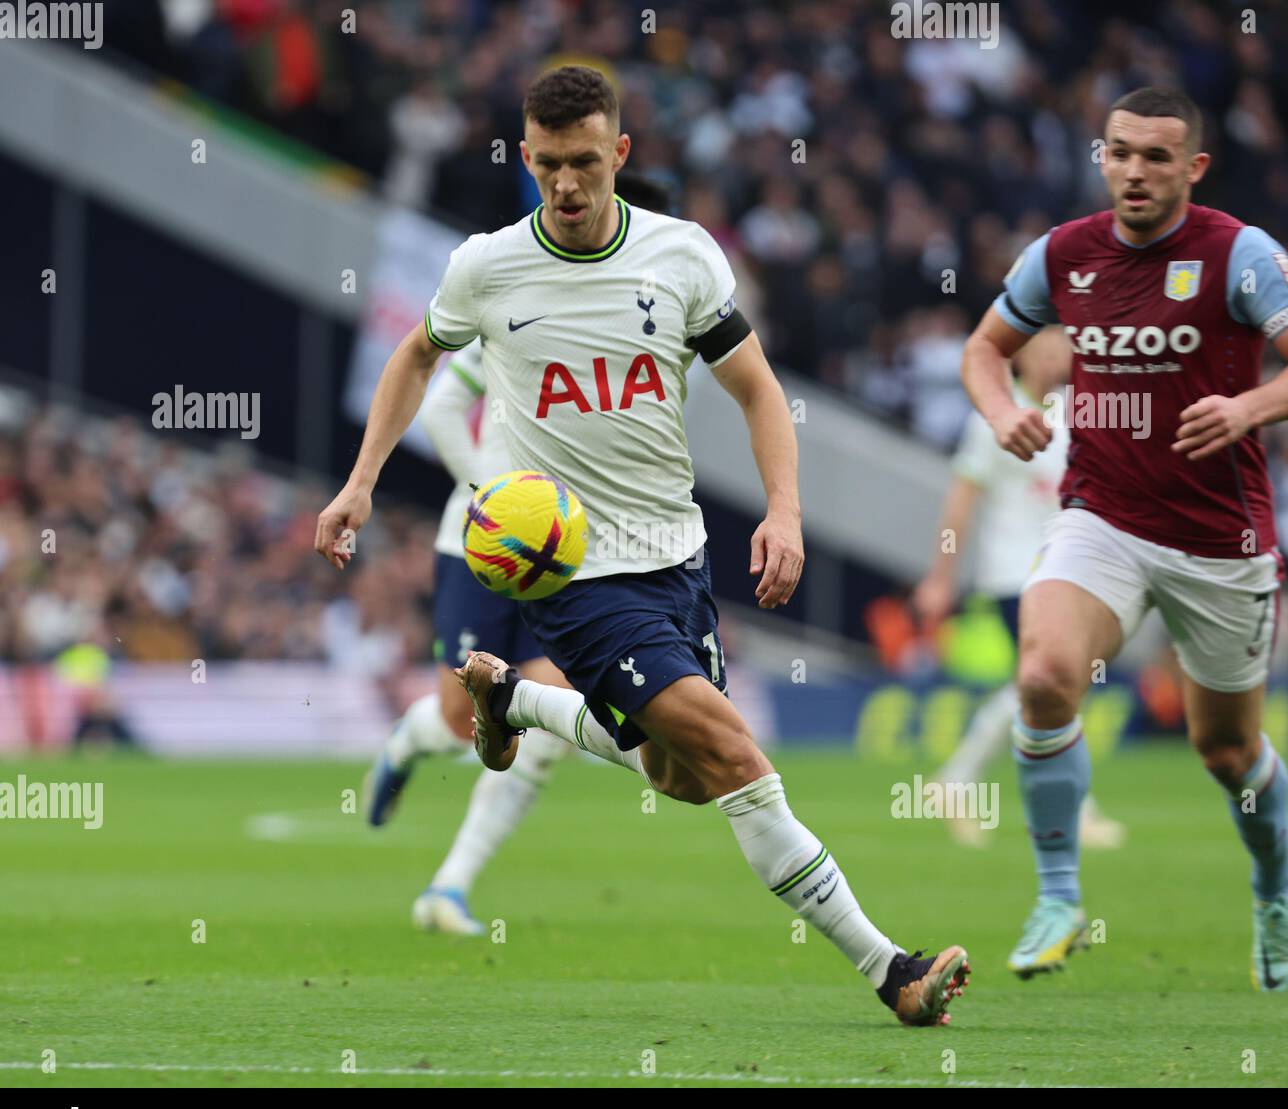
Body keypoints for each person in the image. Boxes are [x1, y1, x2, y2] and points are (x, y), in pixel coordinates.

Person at [318, 65, 971, 1025]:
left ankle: (519, 701)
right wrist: (361, 481)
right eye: (546, 165)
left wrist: (783, 511)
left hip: (679, 559)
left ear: (619, 152)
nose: (567, 186)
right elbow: (417, 356)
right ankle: (891, 969)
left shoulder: (684, 257)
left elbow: (757, 388)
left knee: (681, 776)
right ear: (526, 157)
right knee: (736, 756)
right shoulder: (487, 267)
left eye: (584, 162)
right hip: (574, 574)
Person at [961, 86, 1288, 986]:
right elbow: (983, 350)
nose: (1136, 171)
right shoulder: (1063, 254)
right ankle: (1060, 893)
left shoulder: (1239, 254)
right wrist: (1001, 413)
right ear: (1100, 157)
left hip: (1219, 538)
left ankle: (1275, 884)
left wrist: (1249, 406)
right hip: (1100, 516)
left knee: (1226, 751)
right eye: (1121, 152)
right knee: (1042, 677)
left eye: (1157, 156)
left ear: (1193, 167)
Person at [363, 175, 678, 936]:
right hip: (482, 544)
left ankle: (450, 886)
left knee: (537, 723)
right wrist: (494, 500)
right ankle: (408, 739)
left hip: (568, 561)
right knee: (458, 713)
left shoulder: (647, 325)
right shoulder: (523, 310)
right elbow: (438, 399)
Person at [913, 327, 1126, 850]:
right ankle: (1077, 808)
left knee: (1042, 686)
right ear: (1021, 352)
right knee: (1054, 682)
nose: (1059, 354)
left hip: (1065, 570)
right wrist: (941, 576)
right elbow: (960, 500)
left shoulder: (1081, 411)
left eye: (1064, 344)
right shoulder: (994, 414)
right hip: (1015, 574)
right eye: (1047, 343)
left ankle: (954, 782)